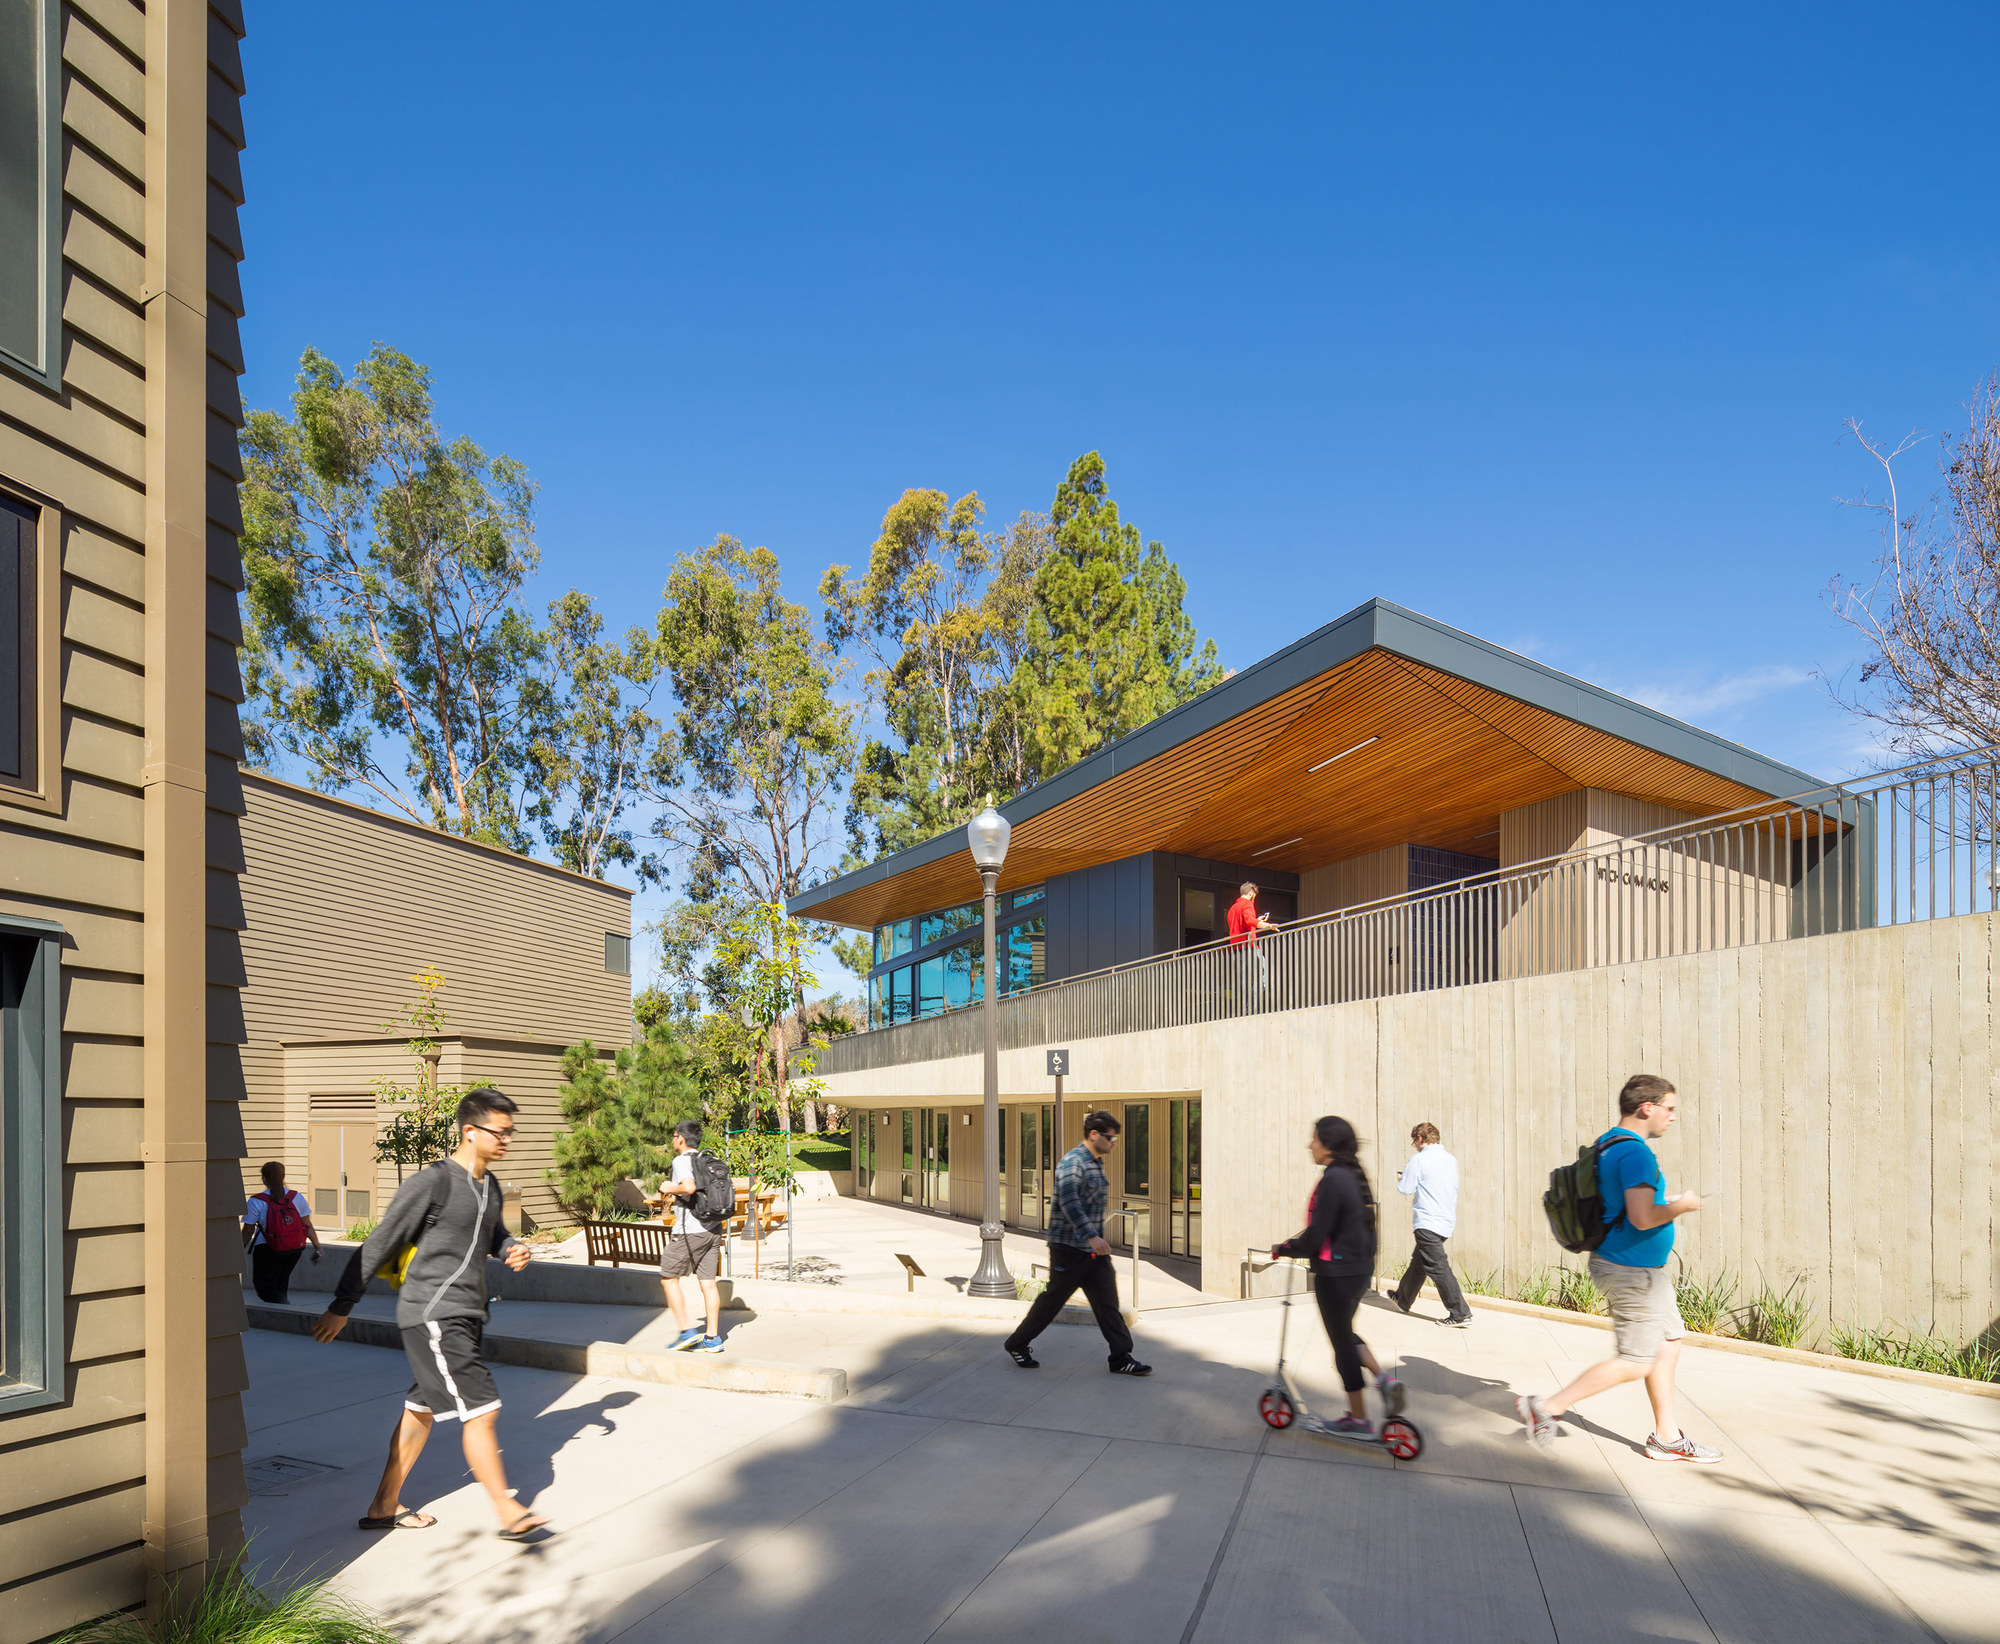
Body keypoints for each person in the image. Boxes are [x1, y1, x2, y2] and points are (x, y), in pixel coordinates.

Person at [310, 1087, 549, 1537]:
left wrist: (511, 1248)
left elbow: (492, 1233)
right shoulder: (432, 1183)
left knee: (419, 1410)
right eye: (501, 1132)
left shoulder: (489, 1185)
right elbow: (379, 1243)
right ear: (470, 1131)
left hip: (468, 1312)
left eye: (511, 1133)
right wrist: (342, 1306)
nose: (507, 1141)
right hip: (435, 1312)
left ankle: (384, 1505)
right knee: (482, 1409)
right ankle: (508, 1511)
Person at [1514, 1074, 1720, 1465]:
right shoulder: (1637, 1153)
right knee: (1637, 1360)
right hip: (1633, 1272)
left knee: (1668, 1343)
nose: (1672, 1117)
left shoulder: (1609, 1143)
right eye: (1669, 1109)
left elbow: (1626, 1206)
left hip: (1636, 1268)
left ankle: (1667, 1436)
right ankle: (1546, 1406)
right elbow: (1643, 1218)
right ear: (1648, 1107)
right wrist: (1683, 1204)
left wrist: (1666, 1200)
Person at [1270, 1115, 1404, 1435]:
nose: (1310, 1145)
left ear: (1328, 1146)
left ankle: (1358, 1419)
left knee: (1341, 1344)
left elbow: (1316, 1238)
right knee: (1344, 1331)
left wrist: (1284, 1248)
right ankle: (1383, 1380)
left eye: (1314, 1139)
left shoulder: (1333, 1179)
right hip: (1357, 1271)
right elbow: (1335, 1228)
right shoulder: (1353, 1175)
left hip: (1335, 1274)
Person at [1003, 1110, 1152, 1375]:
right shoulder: (1073, 1163)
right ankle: (1017, 1344)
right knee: (1052, 1302)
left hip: (1093, 1253)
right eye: (1110, 1138)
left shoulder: (1095, 1162)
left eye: (1115, 1139)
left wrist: (1095, 1241)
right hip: (1069, 1250)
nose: (1114, 1143)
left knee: (1108, 1303)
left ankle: (1120, 1357)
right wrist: (1092, 1236)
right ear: (1094, 1134)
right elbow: (1069, 1203)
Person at [1392, 1123, 1471, 1327]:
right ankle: (1402, 1298)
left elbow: (1406, 1188)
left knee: (1437, 1267)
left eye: (1414, 1142)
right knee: (1419, 1262)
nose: (1415, 1146)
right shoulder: (1450, 1160)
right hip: (1445, 1220)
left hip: (1427, 1221)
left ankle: (1460, 1313)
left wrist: (1402, 1177)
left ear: (1420, 1138)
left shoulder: (1419, 1159)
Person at [662, 1119, 725, 1353]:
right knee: (708, 1284)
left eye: (674, 1136)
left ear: (680, 1138)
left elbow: (688, 1188)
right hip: (713, 1228)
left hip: (690, 1230)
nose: (673, 1140)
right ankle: (712, 1338)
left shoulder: (681, 1160)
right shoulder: (708, 1160)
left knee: (668, 1278)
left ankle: (686, 1333)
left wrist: (669, 1187)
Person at [241, 1160, 322, 1304]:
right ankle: (282, 1308)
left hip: (267, 1249)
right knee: (281, 1282)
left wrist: (239, 1250)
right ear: (283, 1176)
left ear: (264, 1178)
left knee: (264, 1286)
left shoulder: (256, 1201)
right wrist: (317, 1246)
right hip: (294, 1248)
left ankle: (285, 1307)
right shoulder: (296, 1197)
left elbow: (248, 1230)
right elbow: (306, 1224)